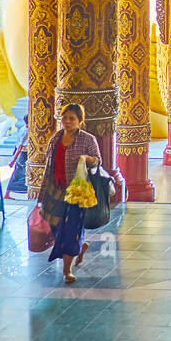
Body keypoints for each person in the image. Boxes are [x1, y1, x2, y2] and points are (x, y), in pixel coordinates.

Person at [37, 104, 102, 283]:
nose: (67, 122)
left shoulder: (87, 140)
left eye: (72, 119)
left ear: (80, 121)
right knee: (56, 227)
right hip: (55, 191)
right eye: (64, 118)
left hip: (77, 193)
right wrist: (42, 194)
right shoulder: (56, 138)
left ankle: (67, 270)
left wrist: (86, 159)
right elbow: (48, 167)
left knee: (71, 229)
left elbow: (97, 161)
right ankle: (80, 247)